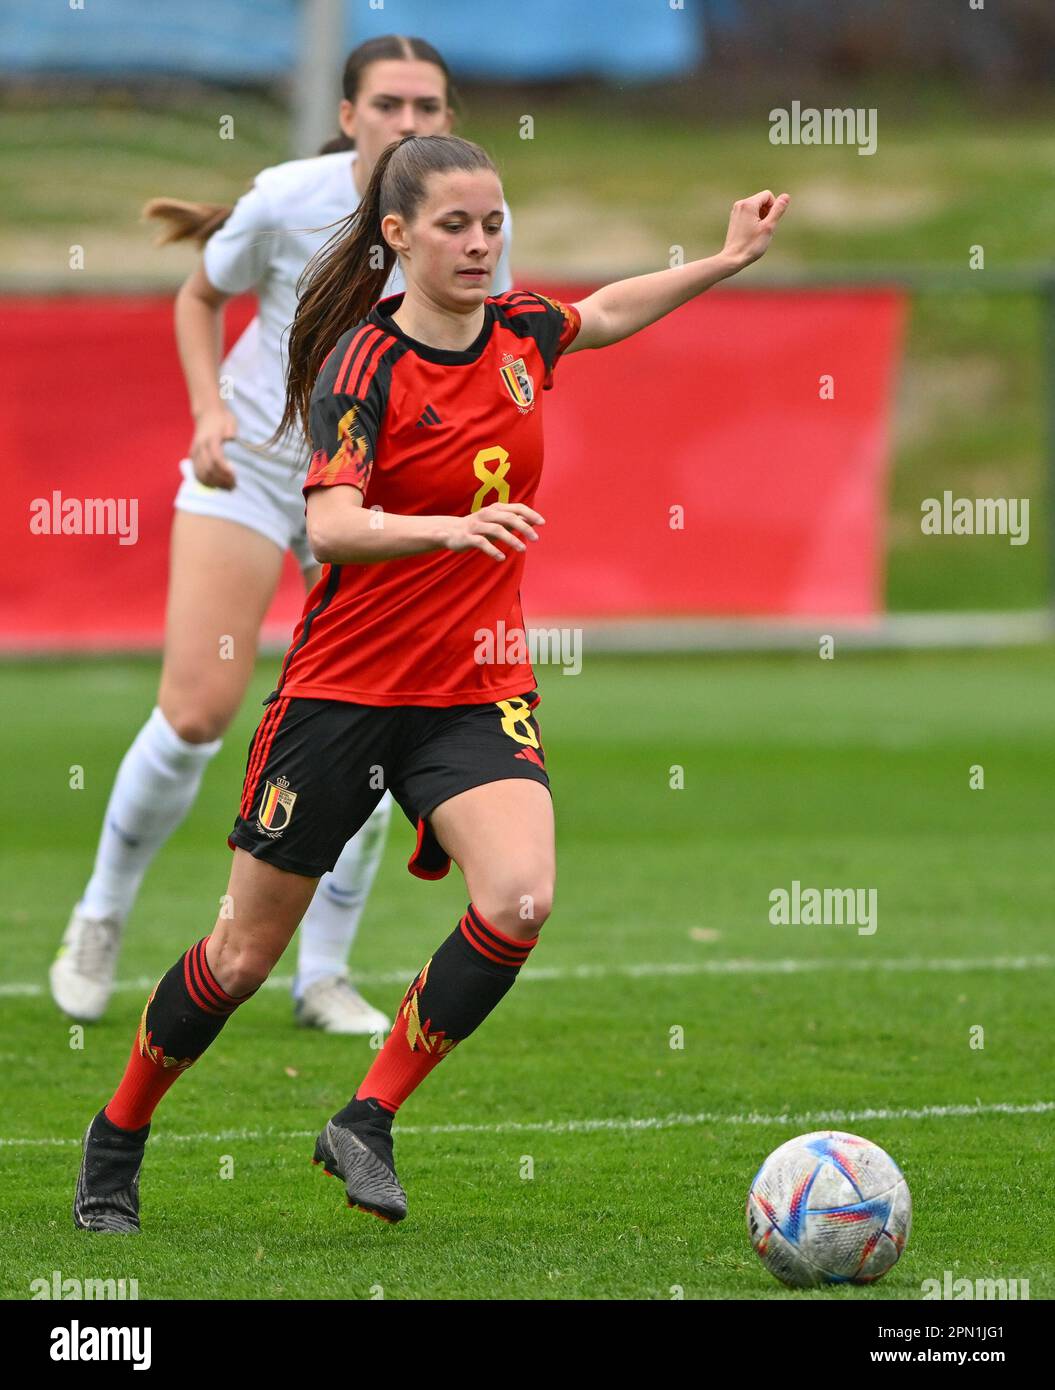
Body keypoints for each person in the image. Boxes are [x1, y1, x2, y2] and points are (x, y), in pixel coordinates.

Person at [72, 133, 789, 1232]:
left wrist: (724, 260)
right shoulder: (363, 363)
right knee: (242, 954)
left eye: (492, 222)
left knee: (518, 899)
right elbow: (333, 524)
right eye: (455, 224)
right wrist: (450, 528)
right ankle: (118, 1135)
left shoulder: (517, 334)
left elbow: (598, 314)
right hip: (343, 692)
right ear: (397, 236)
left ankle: (365, 1116)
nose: (479, 242)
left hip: (472, 686)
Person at [50, 36, 513, 1035]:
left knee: (378, 718)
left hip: (370, 496)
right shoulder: (283, 199)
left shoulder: (468, 225)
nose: (410, 124)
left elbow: (477, 360)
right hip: (257, 471)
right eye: (388, 105)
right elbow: (199, 294)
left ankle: (324, 975)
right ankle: (99, 914)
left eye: (428, 107)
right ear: (347, 116)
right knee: (196, 712)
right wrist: (209, 411)